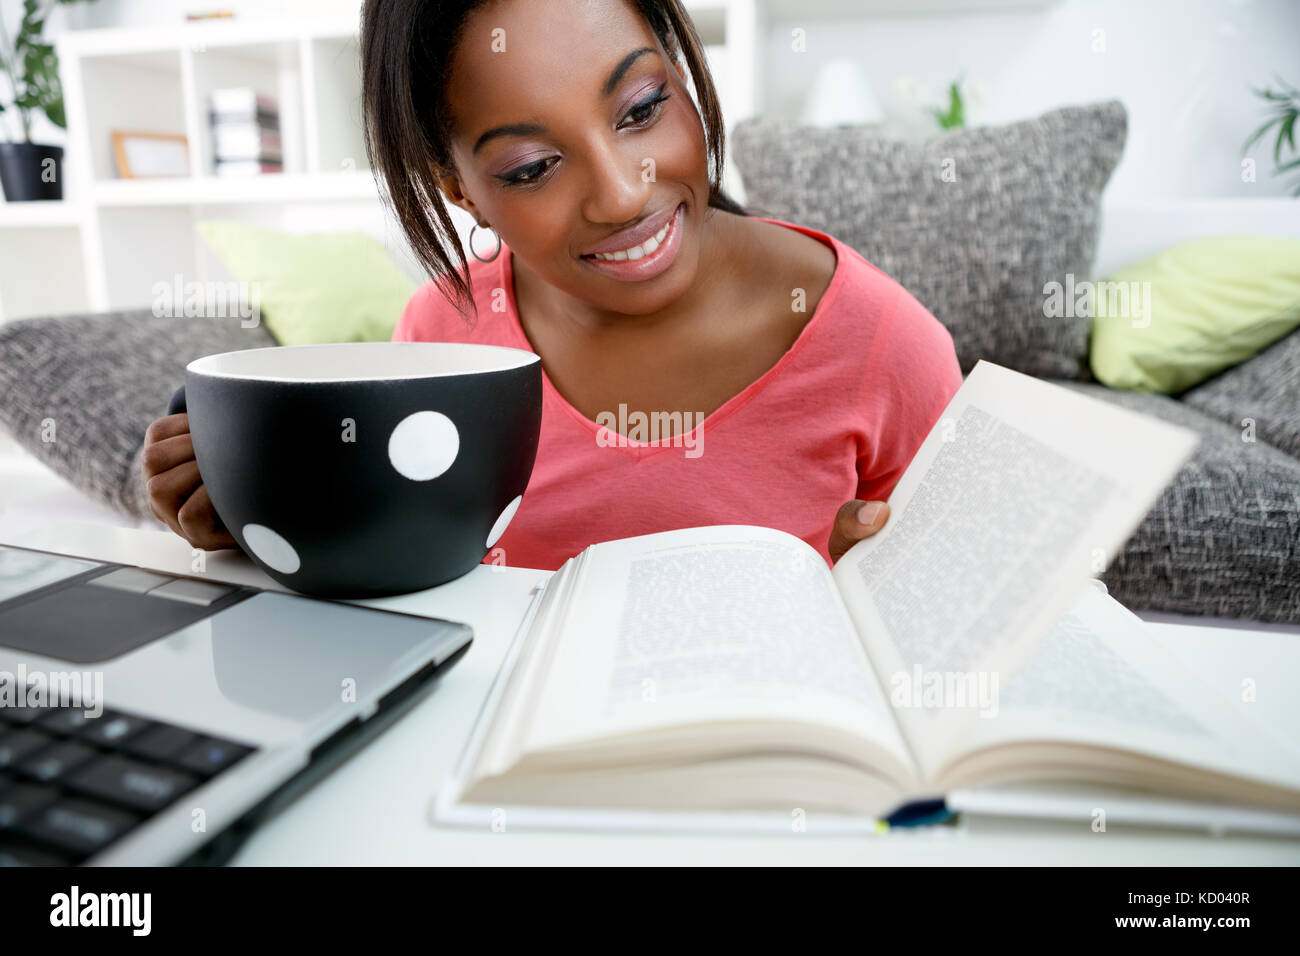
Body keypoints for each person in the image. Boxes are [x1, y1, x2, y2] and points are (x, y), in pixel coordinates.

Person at [142, 0, 962, 571]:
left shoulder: (885, 344)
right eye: (531, 167)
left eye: (642, 108)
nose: (623, 194)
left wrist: (883, 603)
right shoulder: (437, 340)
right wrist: (256, 523)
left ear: (681, 70)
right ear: (459, 190)